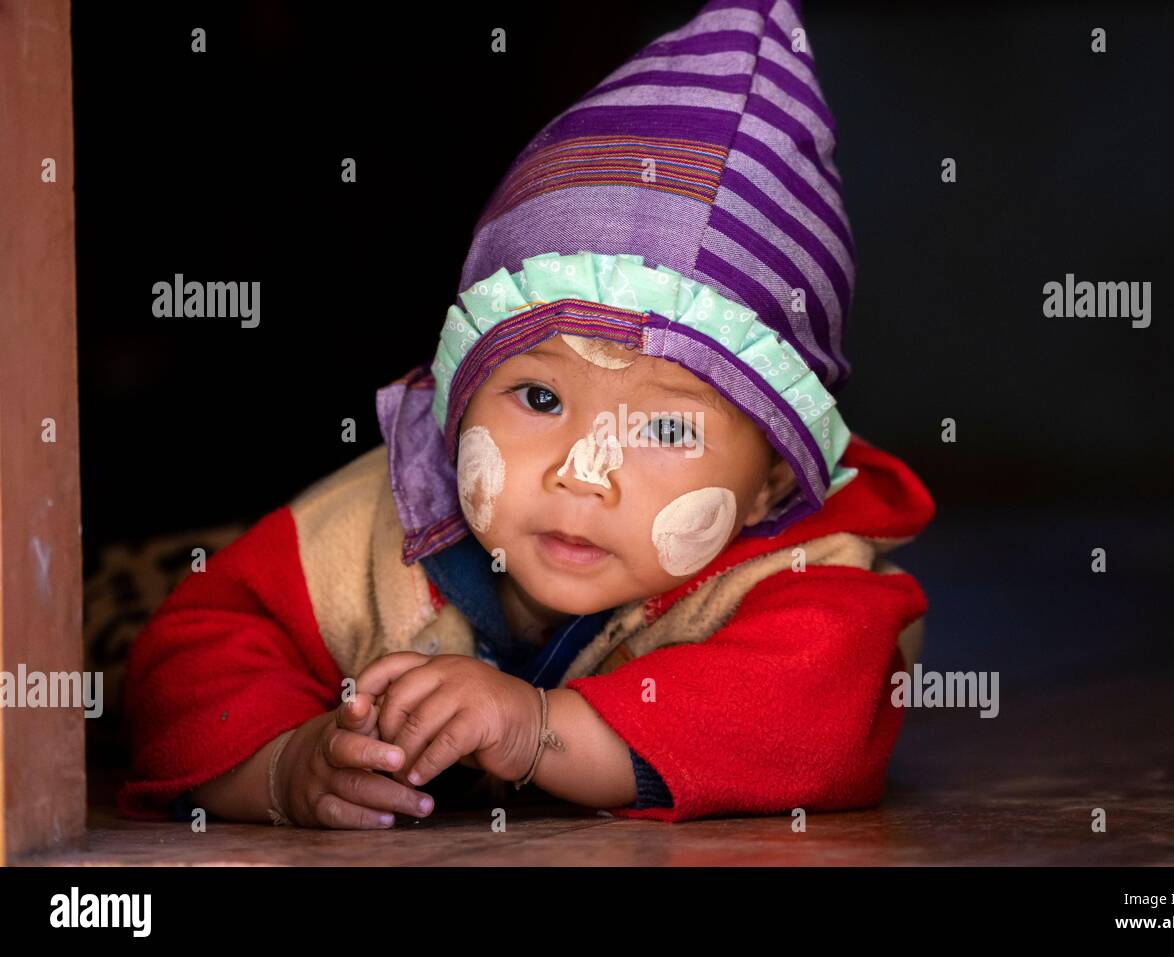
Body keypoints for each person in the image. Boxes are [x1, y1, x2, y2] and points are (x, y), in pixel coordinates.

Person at [118, 0, 935, 828]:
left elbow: (819, 712)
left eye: (664, 428)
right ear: (461, 388)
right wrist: (286, 765)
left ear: (769, 480)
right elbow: (190, 648)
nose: (582, 472)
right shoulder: (385, 519)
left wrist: (540, 730)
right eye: (540, 398)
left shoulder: (801, 569)